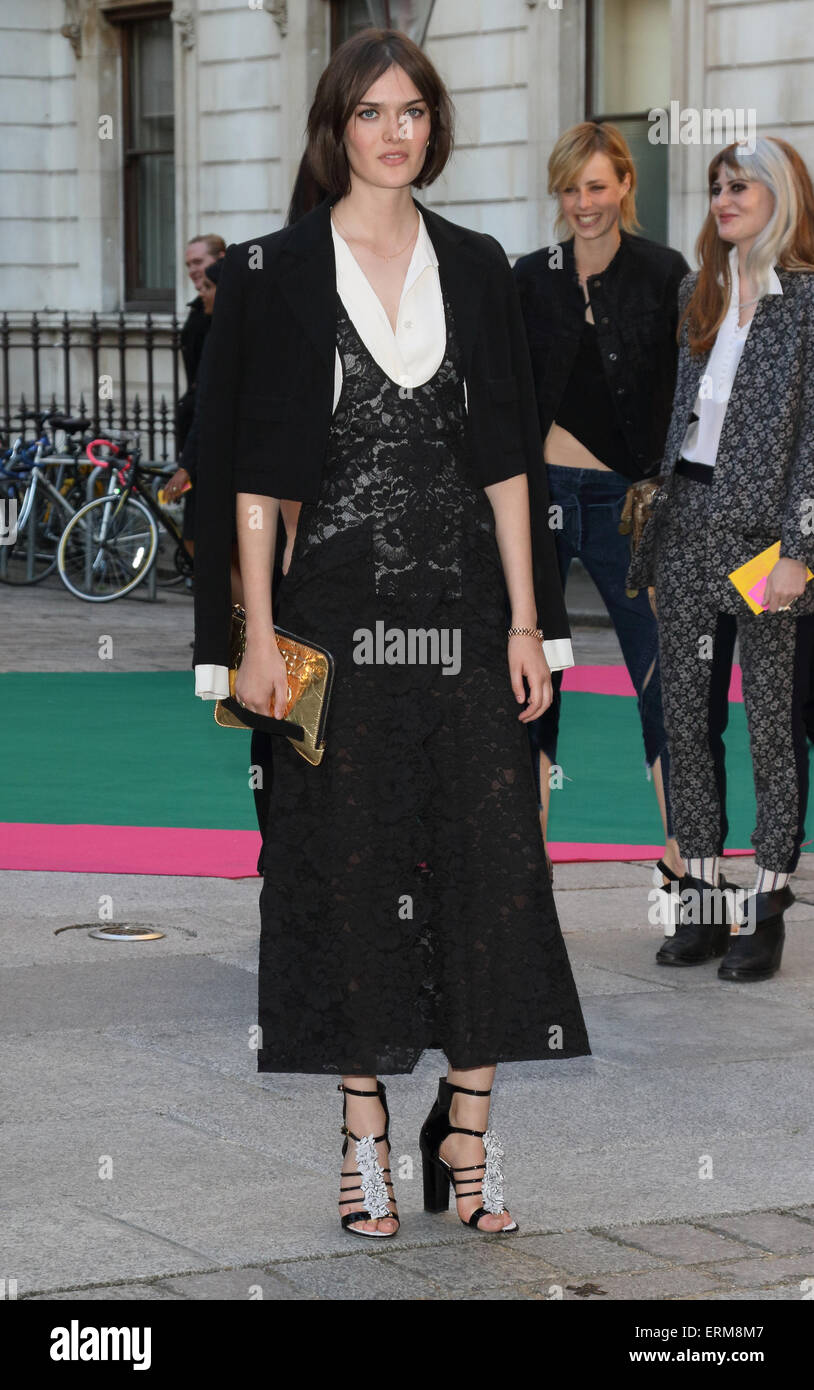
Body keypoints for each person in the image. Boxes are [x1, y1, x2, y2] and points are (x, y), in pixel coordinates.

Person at [192, 28, 590, 1239]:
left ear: (434, 125)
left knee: (492, 863)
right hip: (328, 623)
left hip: (470, 618)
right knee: (345, 868)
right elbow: (246, 477)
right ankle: (364, 1136)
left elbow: (509, 463)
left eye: (412, 109)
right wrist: (253, 634)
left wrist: (529, 623)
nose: (395, 129)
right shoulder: (271, 270)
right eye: (370, 111)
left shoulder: (478, 268)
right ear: (337, 127)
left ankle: (467, 1134)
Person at [628, 136, 814, 981]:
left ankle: (768, 909)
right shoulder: (696, 293)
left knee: (773, 729)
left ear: (782, 195)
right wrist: (661, 544)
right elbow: (680, 425)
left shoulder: (809, 304)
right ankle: (701, 899)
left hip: (769, 545)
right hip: (692, 525)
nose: (725, 198)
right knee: (687, 722)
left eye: (741, 185)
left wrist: (800, 551)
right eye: (716, 186)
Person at [513, 122, 689, 891]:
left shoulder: (664, 273)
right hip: (540, 498)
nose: (583, 203)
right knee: (529, 680)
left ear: (624, 185)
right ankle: (526, 869)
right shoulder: (529, 277)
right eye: (569, 188)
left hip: (631, 505)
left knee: (665, 674)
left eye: (596, 186)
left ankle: (687, 861)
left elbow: (691, 393)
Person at [165, 234, 226, 552]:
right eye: (188, 264)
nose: (192, 270)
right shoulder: (198, 310)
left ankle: (233, 604)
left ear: (221, 258)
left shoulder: (225, 317)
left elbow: (212, 392)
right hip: (195, 433)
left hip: (214, 441)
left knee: (203, 539)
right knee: (195, 537)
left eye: (199, 262)